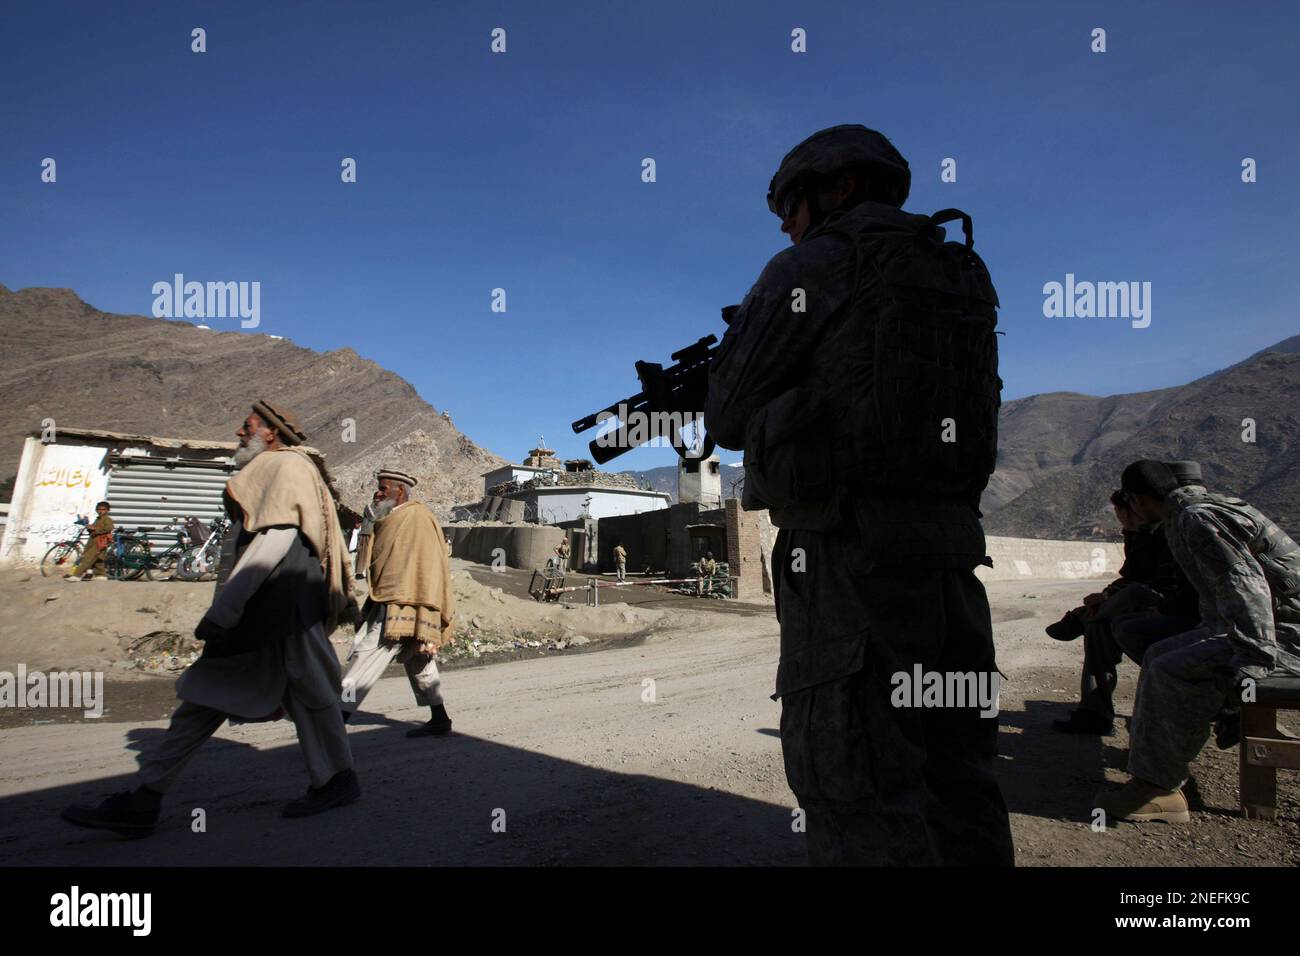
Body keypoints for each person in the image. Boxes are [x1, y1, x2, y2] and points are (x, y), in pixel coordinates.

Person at [704, 125, 1013, 865]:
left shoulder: (817, 265)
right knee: (959, 774)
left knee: (859, 786)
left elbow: (727, 415)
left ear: (839, 188)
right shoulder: (957, 271)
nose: (786, 221)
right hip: (949, 567)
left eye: (792, 202)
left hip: (853, 570)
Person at [61, 400, 360, 837]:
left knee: (304, 696)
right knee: (223, 699)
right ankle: (147, 798)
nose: (240, 433)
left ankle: (336, 780)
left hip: (280, 607)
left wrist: (227, 608)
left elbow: (276, 540)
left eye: (248, 426)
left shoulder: (284, 467)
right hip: (273, 608)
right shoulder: (285, 467)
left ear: (271, 433)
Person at [1094, 460, 1300, 824]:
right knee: (1161, 652)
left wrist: (1251, 661)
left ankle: (1158, 789)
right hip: (1272, 632)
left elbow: (1245, 586)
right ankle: (1151, 772)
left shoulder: (1197, 519)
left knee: (1170, 669)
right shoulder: (1194, 511)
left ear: (1138, 501)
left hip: (1284, 641)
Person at [1051, 483, 1196, 734]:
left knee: (1132, 594)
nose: (1120, 520)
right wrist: (1106, 594)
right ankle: (1095, 714)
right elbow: (1129, 575)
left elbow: (1166, 582)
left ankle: (1081, 618)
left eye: (1121, 514)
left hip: (1170, 607)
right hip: (1146, 603)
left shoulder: (1169, 532)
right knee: (1099, 629)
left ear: (1136, 509)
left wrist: (1156, 605)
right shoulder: (1137, 537)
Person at [341, 468, 455, 737]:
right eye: (377, 487)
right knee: (419, 660)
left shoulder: (417, 517)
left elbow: (426, 564)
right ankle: (440, 719)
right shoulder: (390, 518)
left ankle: (335, 719)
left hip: (405, 601)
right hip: (391, 597)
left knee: (366, 656)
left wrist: (413, 597)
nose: (377, 493)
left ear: (400, 491)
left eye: (384, 488)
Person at [64, 501, 114, 581]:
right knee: (98, 559)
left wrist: (95, 529)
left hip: (99, 542)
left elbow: (108, 528)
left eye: (103, 509)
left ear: (107, 510)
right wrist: (90, 527)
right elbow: (95, 528)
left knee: (88, 558)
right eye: (98, 509)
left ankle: (77, 575)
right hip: (93, 541)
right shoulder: (98, 519)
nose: (100, 511)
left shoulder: (107, 519)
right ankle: (101, 575)